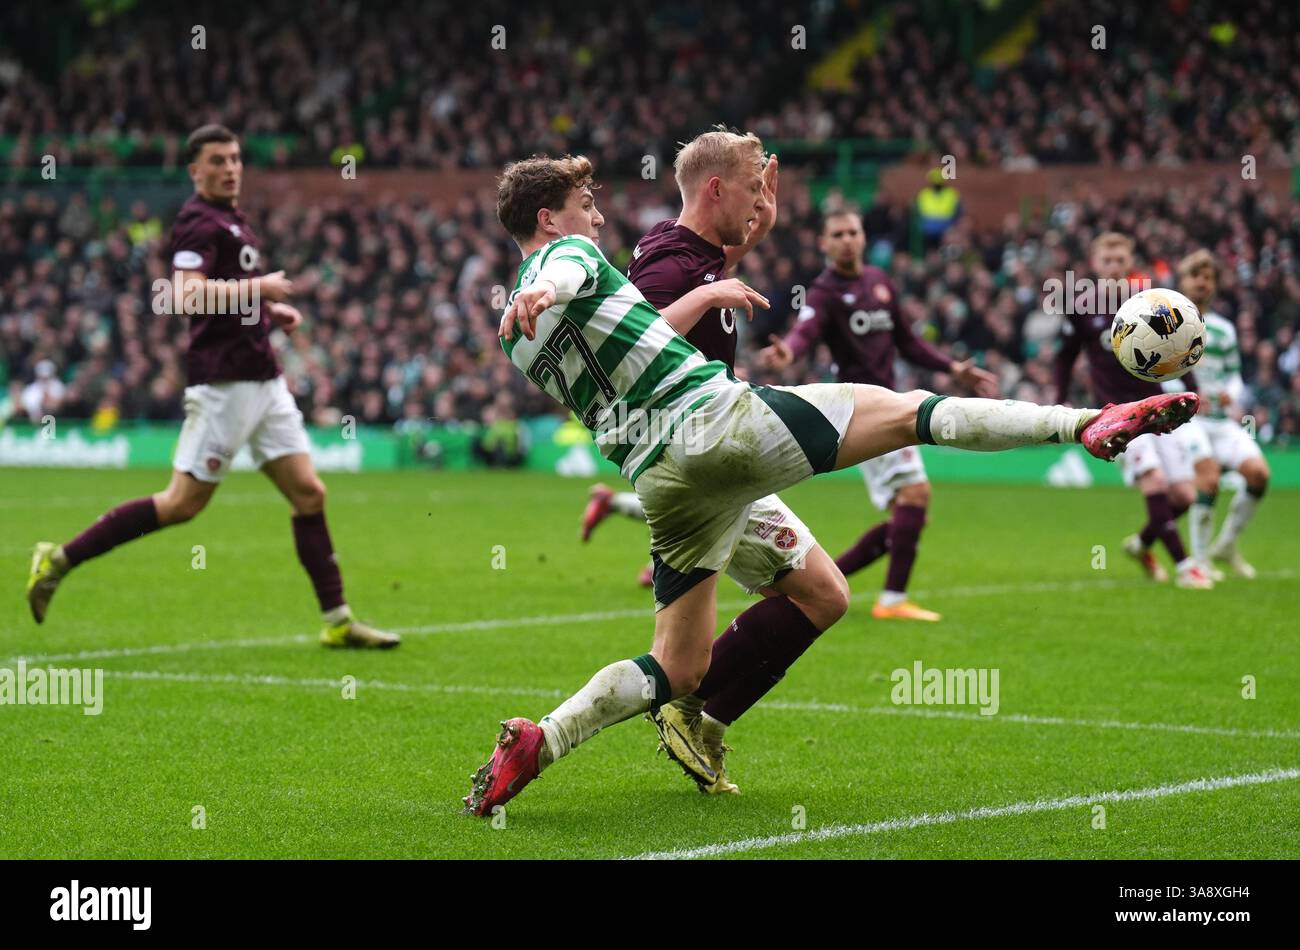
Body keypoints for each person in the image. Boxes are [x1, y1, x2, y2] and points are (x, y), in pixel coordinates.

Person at [463, 153, 1197, 818]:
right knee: (909, 412)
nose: (596, 215)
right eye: (585, 203)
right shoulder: (568, 255)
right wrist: (549, 282)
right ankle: (1085, 425)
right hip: (715, 423)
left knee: (686, 663)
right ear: (546, 218)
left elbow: (619, 325)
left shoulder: (510, 333)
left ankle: (544, 740)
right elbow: (563, 276)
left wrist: (719, 264)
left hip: (661, 477)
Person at [26, 125, 397, 649]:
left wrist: (268, 309)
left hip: (263, 379)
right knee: (181, 504)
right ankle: (59, 558)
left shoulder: (233, 220)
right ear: (194, 170)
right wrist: (261, 288)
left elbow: (226, 296)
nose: (230, 168)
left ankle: (337, 620)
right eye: (217, 160)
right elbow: (185, 295)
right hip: (225, 385)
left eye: (236, 158)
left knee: (310, 494)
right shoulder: (198, 222)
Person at [761, 209, 999, 622]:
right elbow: (806, 331)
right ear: (824, 243)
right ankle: (890, 599)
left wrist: (953, 368)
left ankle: (820, 582)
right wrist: (790, 352)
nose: (847, 239)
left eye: (853, 231)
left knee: (907, 512)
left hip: (890, 402)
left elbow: (907, 342)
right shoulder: (824, 292)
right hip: (859, 408)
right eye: (837, 233)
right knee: (916, 496)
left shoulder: (879, 282)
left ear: (864, 236)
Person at [1053, 232, 1212, 589]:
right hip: (1116, 413)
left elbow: (1177, 347)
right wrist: (1060, 398)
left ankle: (1141, 545)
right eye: (1106, 261)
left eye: (1120, 261)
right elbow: (1064, 357)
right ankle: (1186, 566)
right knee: (1154, 482)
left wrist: (1193, 390)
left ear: (1129, 263)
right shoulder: (1081, 306)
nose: (1113, 267)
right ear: (1095, 264)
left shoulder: (1148, 303)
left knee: (1184, 496)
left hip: (1157, 408)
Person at [1170, 250, 1270, 578]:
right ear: (1182, 282)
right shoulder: (1166, 326)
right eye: (1195, 275)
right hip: (1187, 419)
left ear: (1214, 285)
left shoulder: (1224, 330)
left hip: (1220, 420)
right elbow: (1156, 374)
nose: (1202, 281)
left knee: (1259, 474)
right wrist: (1186, 397)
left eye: (1208, 276)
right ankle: (1199, 561)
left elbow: (1235, 376)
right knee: (1209, 477)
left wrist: (1232, 393)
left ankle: (1226, 544)